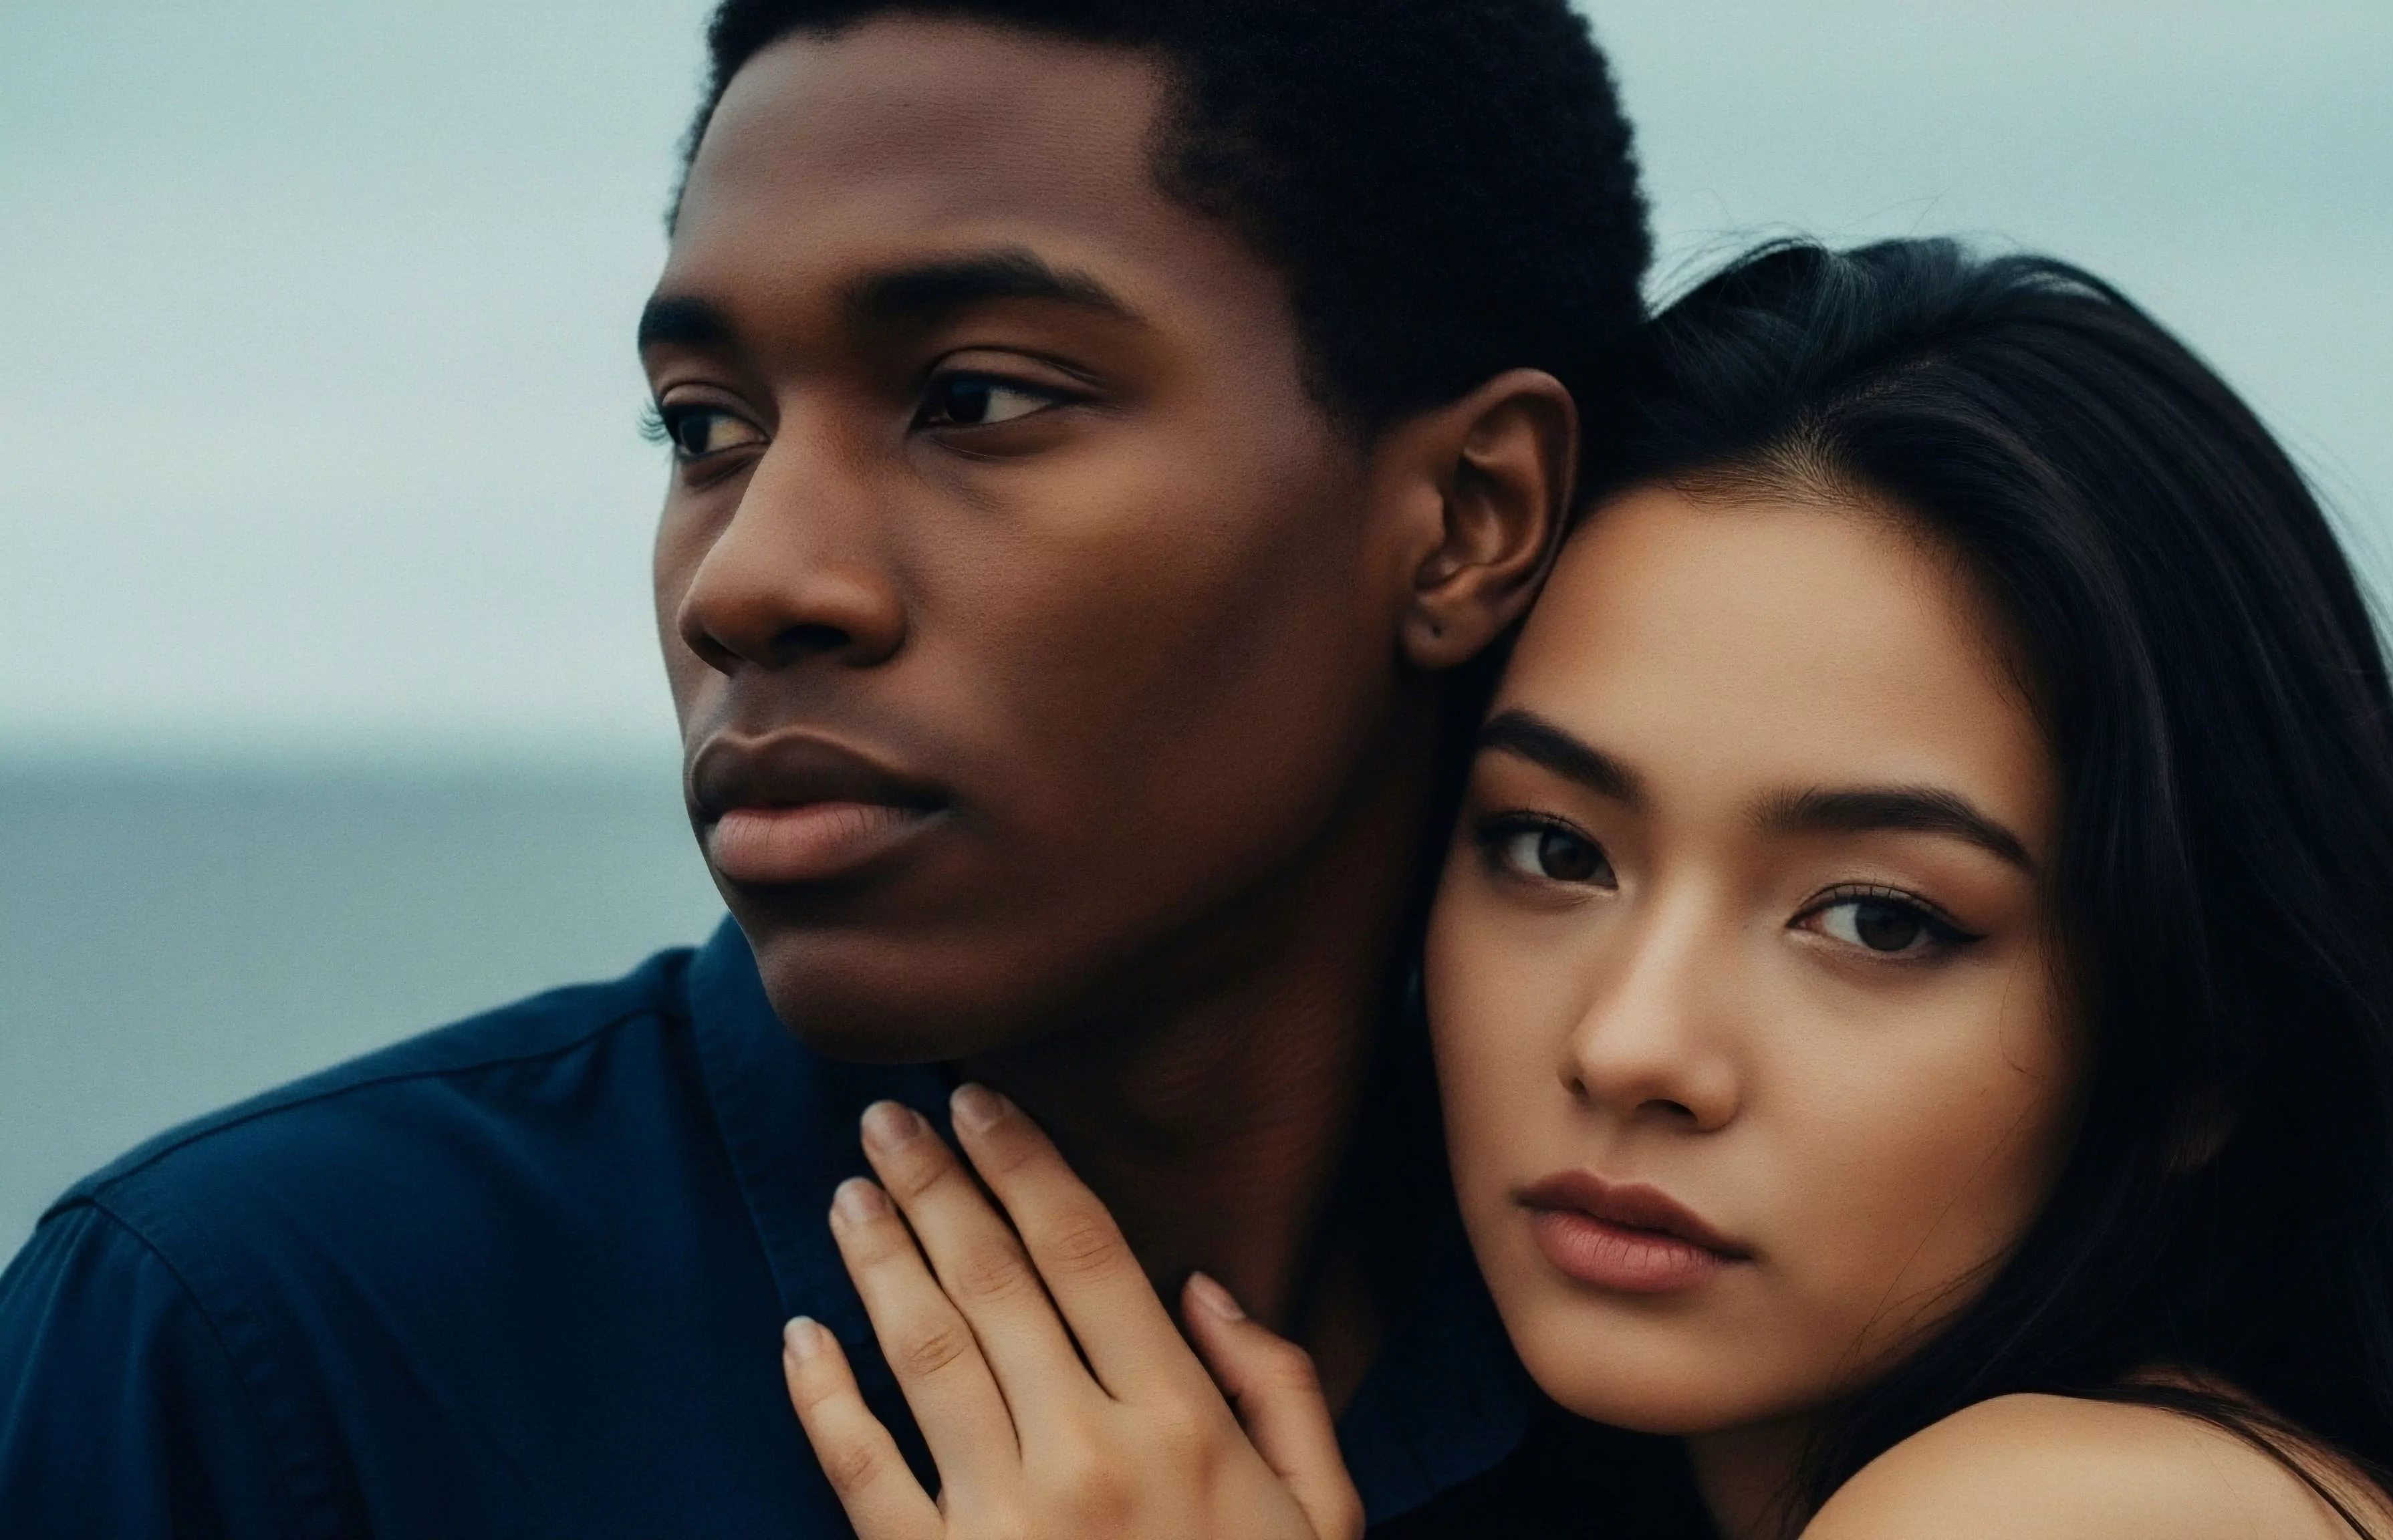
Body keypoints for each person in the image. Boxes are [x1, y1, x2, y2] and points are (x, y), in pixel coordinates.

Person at [0, 3, 1655, 1534]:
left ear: (1467, 520)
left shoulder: (1735, 1399)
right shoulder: (247, 1350)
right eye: (706, 426)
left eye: (977, 397)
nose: (748, 582)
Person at [782, 239, 2393, 1540]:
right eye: (1554, 850)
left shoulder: (2070, 1504)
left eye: (1877, 919)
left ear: (2202, 1049)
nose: (1634, 1043)